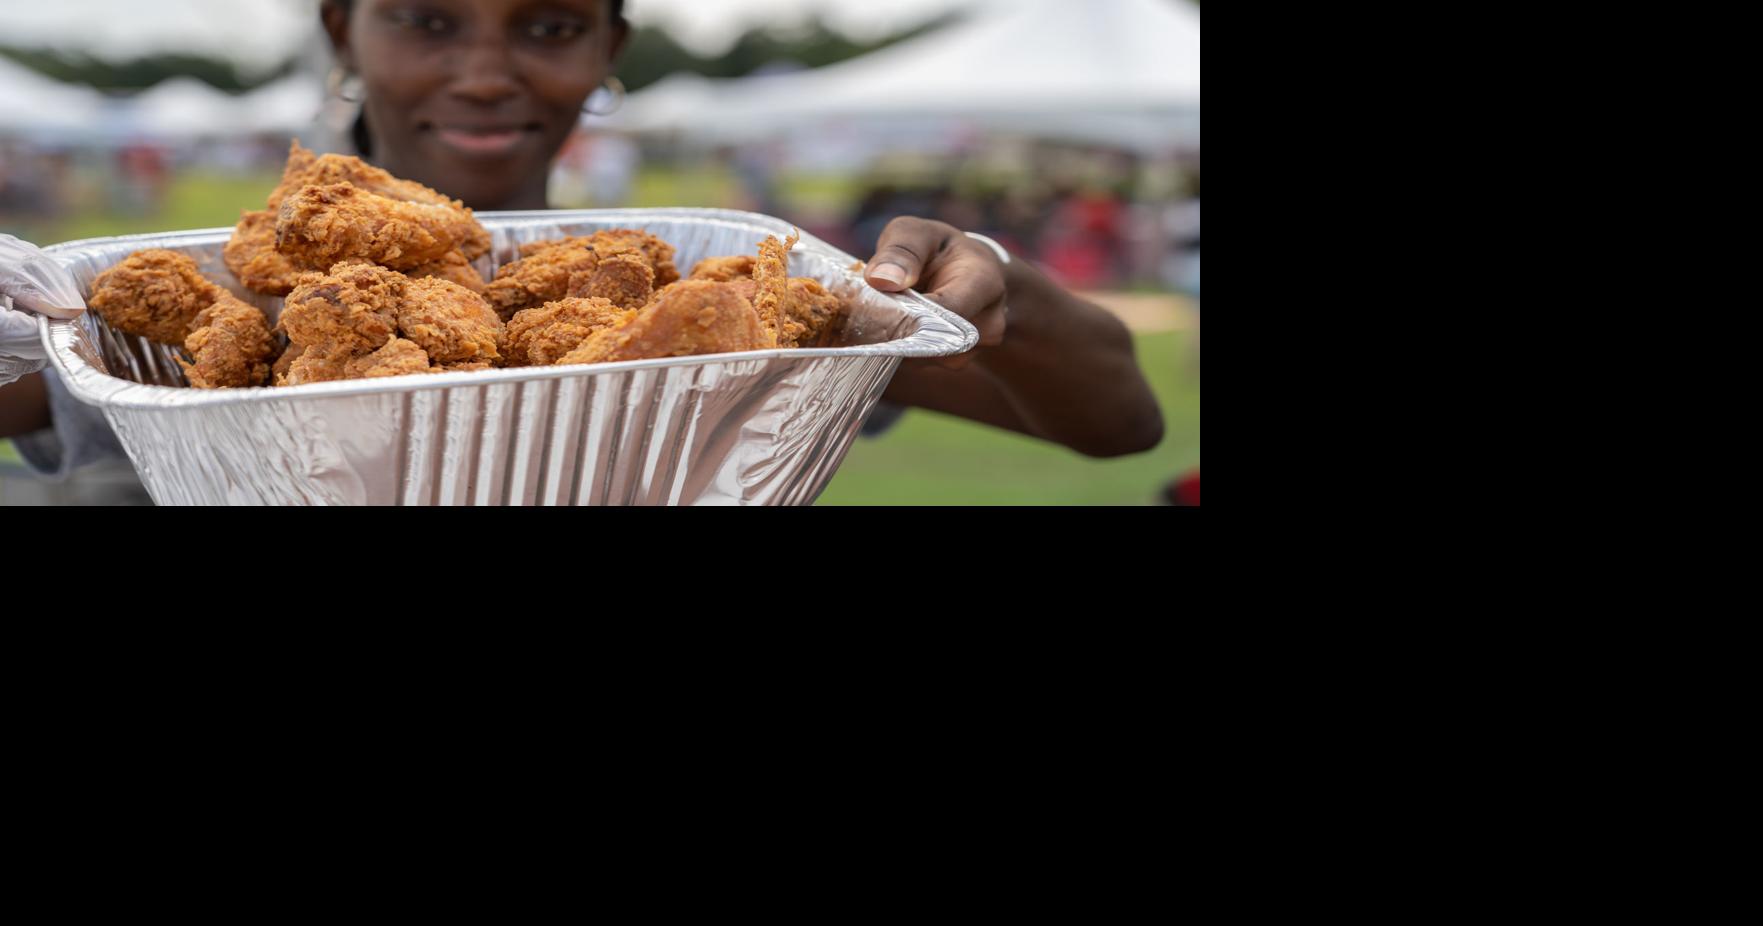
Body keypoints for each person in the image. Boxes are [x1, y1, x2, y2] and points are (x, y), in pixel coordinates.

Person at [0, 0, 1162, 496]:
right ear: (340, 29)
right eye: (426, 17)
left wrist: (990, 282)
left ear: (611, 43)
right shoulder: (124, 308)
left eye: (550, 26)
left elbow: (1117, 425)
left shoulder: (721, 316)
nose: (488, 70)